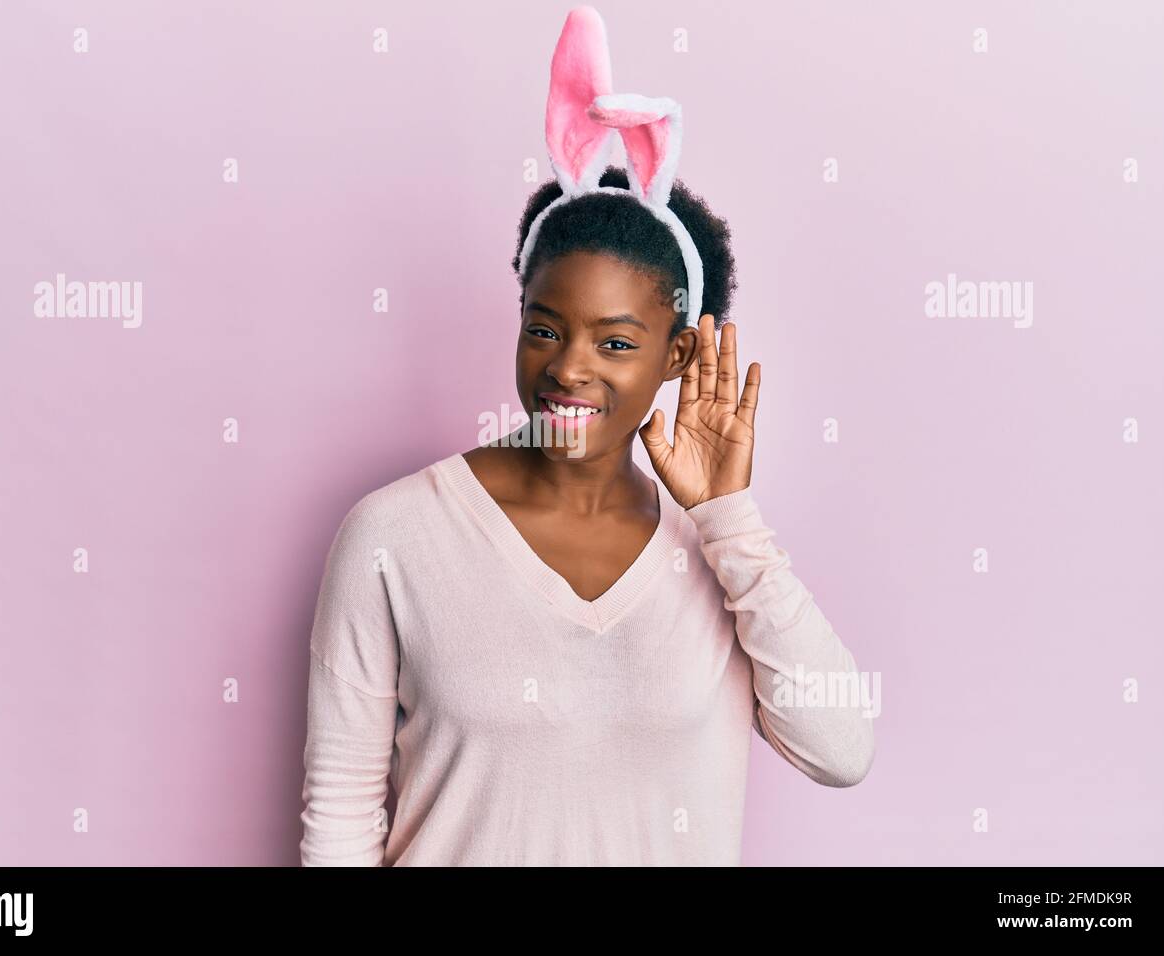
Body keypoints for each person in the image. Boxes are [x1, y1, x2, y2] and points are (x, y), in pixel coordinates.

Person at [299, 6, 874, 867]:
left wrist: (728, 519)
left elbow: (841, 751)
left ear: (678, 354)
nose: (569, 369)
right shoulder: (391, 535)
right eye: (544, 327)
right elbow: (340, 815)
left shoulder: (713, 557)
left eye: (616, 343)